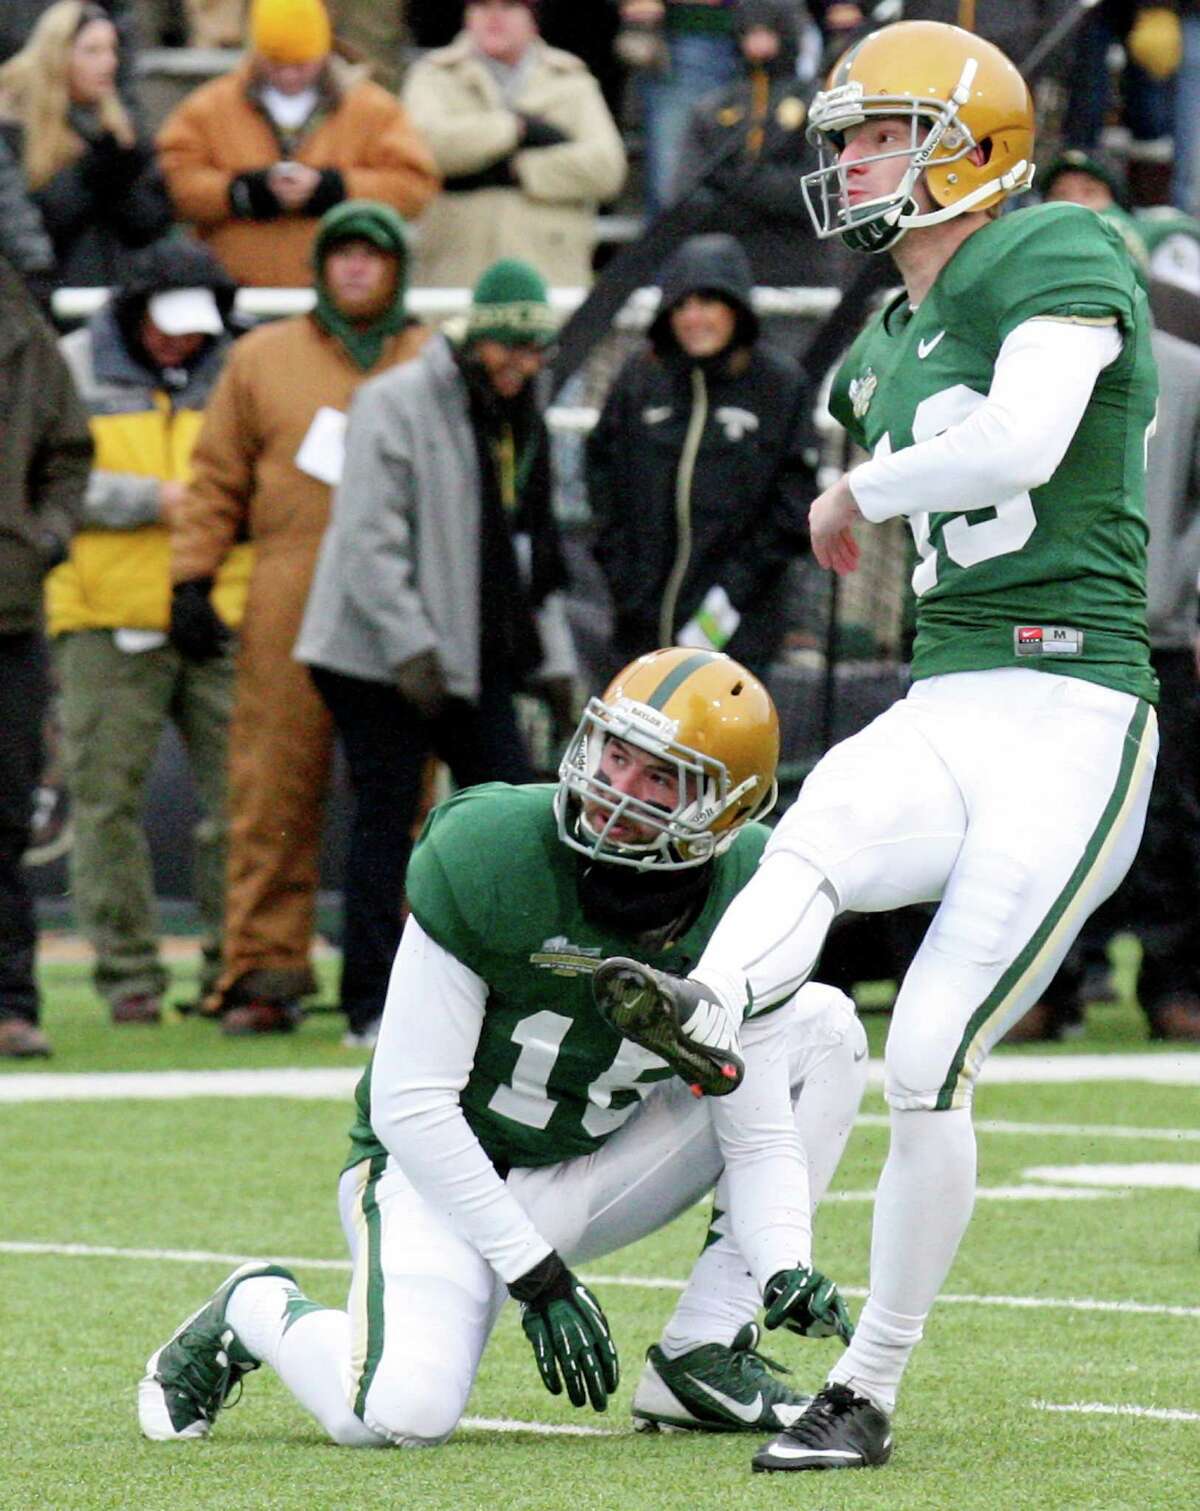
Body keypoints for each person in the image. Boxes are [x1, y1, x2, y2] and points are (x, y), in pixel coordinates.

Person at [595, 21, 1161, 1473]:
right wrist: (862, 478)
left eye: (879, 133)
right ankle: (700, 1006)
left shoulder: (1053, 253)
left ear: (969, 145)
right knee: (817, 833)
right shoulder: (886, 342)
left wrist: (864, 490)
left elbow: (1026, 442)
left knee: (927, 1050)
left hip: (1076, 705)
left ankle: (870, 1380)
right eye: (844, 136)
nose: (846, 159)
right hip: (953, 689)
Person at [137, 646, 869, 1446]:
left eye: (661, 778)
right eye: (615, 755)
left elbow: (753, 1114)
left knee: (823, 1029)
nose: (616, 791)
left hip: (592, 1160)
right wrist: (538, 1273)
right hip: (436, 1175)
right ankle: (252, 1307)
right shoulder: (492, 846)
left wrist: (782, 1262)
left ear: (730, 810)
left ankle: (707, 1348)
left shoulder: (756, 889)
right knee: (393, 1415)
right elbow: (410, 1104)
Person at [295, 257, 577, 1045]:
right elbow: (368, 544)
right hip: (372, 653)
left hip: (464, 649)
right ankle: (369, 1002)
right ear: (476, 339)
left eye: (534, 352)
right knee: (388, 812)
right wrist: (412, 651)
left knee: (518, 812)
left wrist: (552, 661)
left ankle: (516, 985)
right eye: (508, 350)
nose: (521, 366)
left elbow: (534, 550)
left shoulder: (523, 414)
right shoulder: (394, 401)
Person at [169, 200, 427, 1037]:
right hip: (289, 592)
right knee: (272, 783)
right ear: (319, 266)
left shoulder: (431, 356)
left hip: (400, 601)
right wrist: (192, 577)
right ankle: (263, 971)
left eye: (372, 254)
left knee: (403, 798)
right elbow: (214, 480)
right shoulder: (261, 359)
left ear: (397, 268)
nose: (356, 268)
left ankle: (408, 975)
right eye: (341, 253)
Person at [47, 240, 246, 1027]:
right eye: (167, 326)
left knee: (240, 803)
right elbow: (42, 471)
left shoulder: (240, 367)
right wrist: (152, 499)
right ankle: (127, 975)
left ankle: (236, 966)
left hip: (220, 606)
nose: (180, 342)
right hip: (103, 611)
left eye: (195, 328)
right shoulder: (71, 365)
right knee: (103, 802)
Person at [587, 231, 816, 683]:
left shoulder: (779, 385)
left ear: (736, 308)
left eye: (708, 302)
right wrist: (625, 584)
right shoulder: (639, 380)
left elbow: (792, 506)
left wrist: (728, 600)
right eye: (681, 305)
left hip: (739, 636)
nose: (693, 318)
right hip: (639, 631)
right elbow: (602, 477)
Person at [156, 0, 438, 288]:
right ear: (257, 53)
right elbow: (172, 183)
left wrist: (333, 188)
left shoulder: (373, 109)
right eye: (276, 63)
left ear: (324, 52)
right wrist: (242, 192)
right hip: (237, 293)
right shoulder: (210, 108)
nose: (289, 75)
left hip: (338, 300)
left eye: (301, 64)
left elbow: (414, 186)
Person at [0, 259, 92, 1060]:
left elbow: (71, 451)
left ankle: (10, 1003)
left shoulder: (26, 335)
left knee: (4, 817)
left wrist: (44, 539)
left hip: (8, 611)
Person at [401, 0, 627, 289]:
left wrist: (518, 172)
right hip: (455, 277)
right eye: (482, 5)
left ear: (533, 19)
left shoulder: (572, 81)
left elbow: (606, 168)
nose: (494, 17)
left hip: (549, 280)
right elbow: (420, 149)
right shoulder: (432, 76)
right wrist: (514, 129)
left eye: (508, 6)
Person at [668, 0, 846, 288]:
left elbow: (820, 191)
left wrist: (734, 182)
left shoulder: (818, 105)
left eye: (768, 32)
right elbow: (686, 195)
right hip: (724, 276)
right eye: (749, 33)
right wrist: (760, 190)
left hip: (801, 269)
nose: (757, 44)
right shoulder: (713, 107)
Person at [0, 1, 173, 289]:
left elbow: (153, 225)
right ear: (58, 54)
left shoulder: (120, 126)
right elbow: (26, 222)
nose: (109, 63)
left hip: (118, 286)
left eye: (112, 50)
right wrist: (86, 177)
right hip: (52, 289)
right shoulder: (14, 124)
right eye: (92, 51)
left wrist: (127, 182)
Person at [1042, 148, 1200, 298]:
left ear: (1112, 197)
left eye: (1089, 192)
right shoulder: (1037, 240)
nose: (1077, 202)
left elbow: (1185, 300)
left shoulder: (1157, 227)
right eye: (1062, 194)